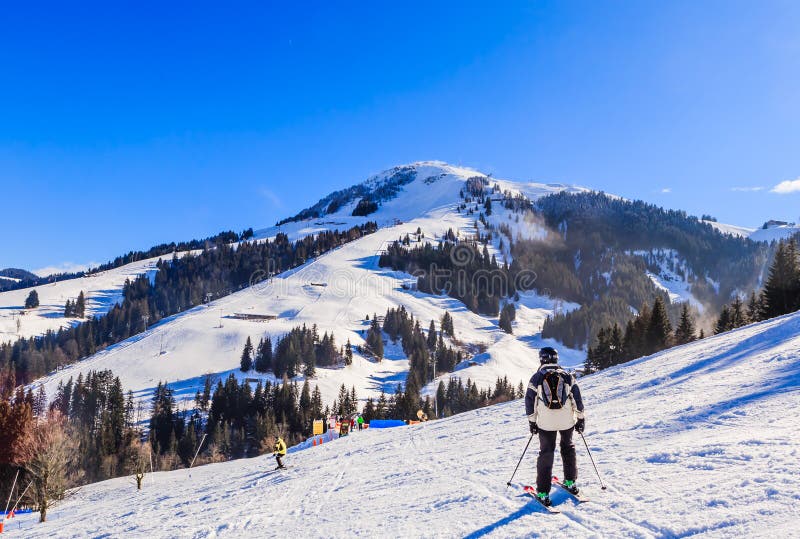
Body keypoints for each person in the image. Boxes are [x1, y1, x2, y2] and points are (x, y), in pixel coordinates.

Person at [525, 346, 585, 507]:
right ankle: (571, 483)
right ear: (556, 359)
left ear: (542, 359)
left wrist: (532, 422)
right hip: (567, 422)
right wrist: (580, 419)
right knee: (568, 448)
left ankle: (543, 493)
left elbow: (530, 402)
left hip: (545, 424)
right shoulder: (567, 376)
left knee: (546, 453)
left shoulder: (536, 378)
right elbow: (577, 400)